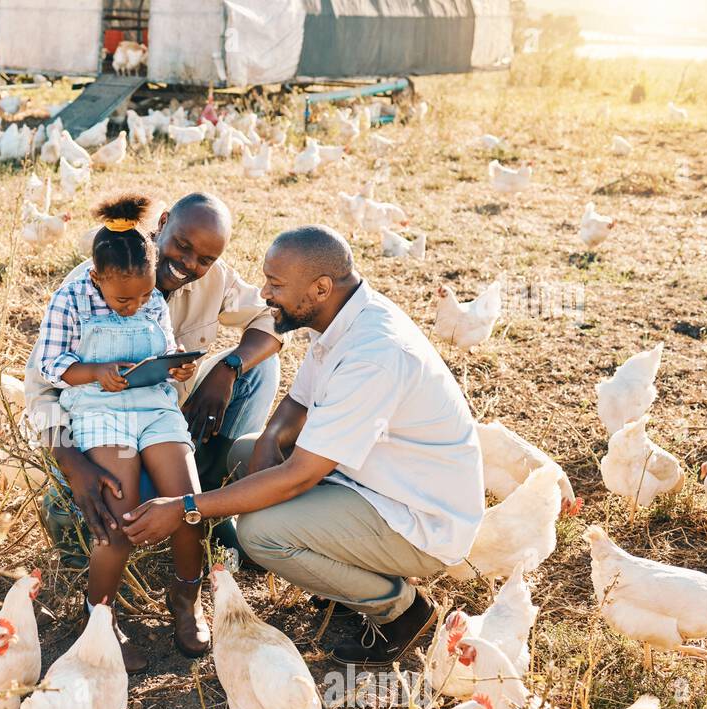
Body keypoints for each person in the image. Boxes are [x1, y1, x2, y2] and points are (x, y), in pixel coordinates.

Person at [122, 225, 485, 667]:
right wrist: (271, 440)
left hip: (418, 518)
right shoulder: (340, 314)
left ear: (320, 287)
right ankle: (344, 573)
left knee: (262, 534)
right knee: (243, 454)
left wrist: (185, 508)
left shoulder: (375, 354)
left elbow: (300, 476)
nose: (264, 292)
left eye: (275, 284)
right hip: (372, 479)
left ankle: (400, 611)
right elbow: (299, 401)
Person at [25, 192, 284, 561]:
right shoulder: (90, 284)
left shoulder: (216, 279)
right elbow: (41, 392)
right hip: (101, 428)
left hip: (164, 425)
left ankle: (206, 499)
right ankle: (80, 514)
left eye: (205, 259)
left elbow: (273, 317)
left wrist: (227, 370)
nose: (188, 263)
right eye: (181, 245)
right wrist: (71, 462)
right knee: (97, 502)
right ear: (162, 224)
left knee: (259, 366)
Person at [35, 194, 208, 672]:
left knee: (188, 503)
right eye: (122, 300)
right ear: (96, 279)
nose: (134, 308)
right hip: (99, 409)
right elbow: (50, 365)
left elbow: (164, 346)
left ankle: (185, 597)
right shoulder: (71, 297)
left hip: (152, 405)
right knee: (118, 519)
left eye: (143, 297)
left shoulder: (151, 298)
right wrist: (94, 371)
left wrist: (176, 368)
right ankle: (101, 615)